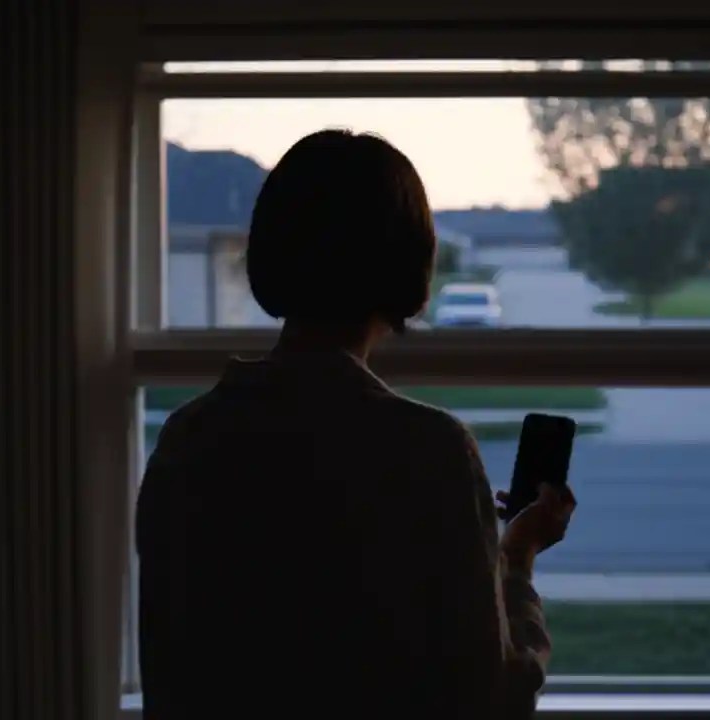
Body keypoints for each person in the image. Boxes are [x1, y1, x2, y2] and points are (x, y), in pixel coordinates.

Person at [135, 129, 576, 720]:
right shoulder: (428, 452)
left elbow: (171, 671)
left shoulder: (189, 439)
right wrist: (516, 563)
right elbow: (491, 698)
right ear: (409, 262)